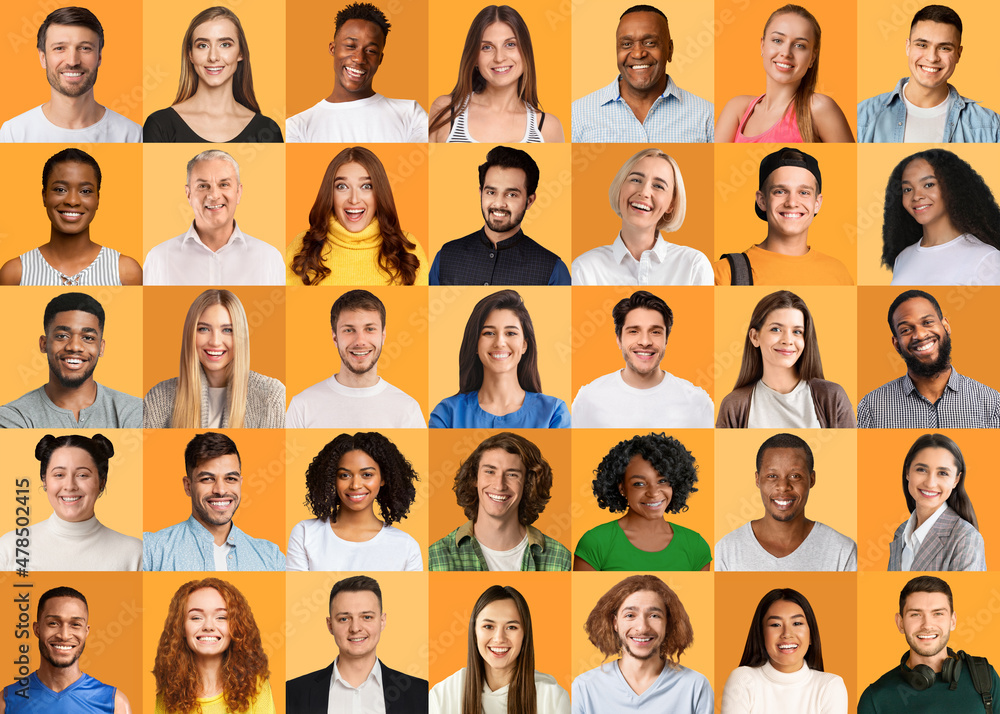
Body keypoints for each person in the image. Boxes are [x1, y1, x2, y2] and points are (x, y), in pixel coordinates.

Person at [285, 575, 429, 714]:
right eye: (344, 619)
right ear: (330, 625)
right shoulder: (293, 693)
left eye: (367, 617)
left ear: (382, 621)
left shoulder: (420, 693)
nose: (355, 628)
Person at [142, 432, 285, 571]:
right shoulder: (151, 550)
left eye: (230, 479)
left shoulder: (272, 557)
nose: (221, 490)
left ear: (240, 483)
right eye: (207, 479)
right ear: (188, 486)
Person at [286, 146, 428, 286]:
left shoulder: (407, 247)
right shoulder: (302, 245)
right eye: (342, 186)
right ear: (330, 193)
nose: (354, 199)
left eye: (366, 186)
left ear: (380, 193)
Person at [143, 289, 286, 428]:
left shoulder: (270, 396)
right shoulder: (159, 398)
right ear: (190, 334)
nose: (215, 341)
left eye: (228, 330)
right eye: (204, 329)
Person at [857, 290, 1000, 428]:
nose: (919, 335)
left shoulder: (991, 403)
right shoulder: (872, 407)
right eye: (906, 330)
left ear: (946, 326)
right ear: (896, 344)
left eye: (927, 322)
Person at [428, 432, 571, 571]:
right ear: (474, 479)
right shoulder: (436, 556)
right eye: (490, 472)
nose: (499, 485)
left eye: (512, 474)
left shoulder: (560, 559)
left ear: (529, 484)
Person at [286, 2, 427, 142]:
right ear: (332, 49)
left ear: (380, 59)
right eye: (350, 46)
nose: (359, 59)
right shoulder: (298, 126)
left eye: (371, 51)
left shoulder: (410, 114)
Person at [428, 146, 570, 285]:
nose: (499, 203)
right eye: (491, 192)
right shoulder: (446, 256)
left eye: (511, 194)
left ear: (529, 201)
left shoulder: (552, 269)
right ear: (481, 193)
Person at [857, 5, 1000, 143]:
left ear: (958, 54)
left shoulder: (990, 125)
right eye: (922, 45)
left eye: (944, 48)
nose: (932, 58)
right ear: (908, 47)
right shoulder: (863, 116)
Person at [571, 290, 713, 428]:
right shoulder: (589, 398)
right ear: (619, 340)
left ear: (666, 340)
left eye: (655, 332)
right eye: (633, 331)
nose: (645, 342)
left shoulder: (697, 402)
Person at [715, 433, 857, 571]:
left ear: (811, 479)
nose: (783, 486)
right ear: (758, 480)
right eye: (772, 476)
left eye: (795, 476)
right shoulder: (727, 549)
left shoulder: (842, 550)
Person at [572, 574, 713, 713]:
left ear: (668, 623)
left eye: (654, 616)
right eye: (630, 615)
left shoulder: (696, 686)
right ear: (615, 623)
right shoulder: (585, 687)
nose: (643, 627)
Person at [571, 6, 714, 143]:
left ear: (670, 50)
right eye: (627, 44)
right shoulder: (578, 114)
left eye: (650, 43)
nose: (638, 53)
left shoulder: (706, 115)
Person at [429, 290, 569, 428]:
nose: (500, 342)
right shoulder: (447, 414)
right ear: (475, 344)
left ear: (524, 345)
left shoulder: (554, 413)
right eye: (489, 333)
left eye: (510, 333)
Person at [857, 576, 1000, 712]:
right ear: (900, 623)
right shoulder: (875, 698)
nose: (927, 625)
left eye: (938, 614)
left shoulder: (985, 676)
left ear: (952, 621)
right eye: (915, 614)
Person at [713, 147, 853, 286]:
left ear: (817, 203)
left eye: (804, 193)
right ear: (762, 200)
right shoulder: (723, 273)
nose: (792, 203)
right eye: (780, 191)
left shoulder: (839, 274)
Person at [0, 149, 141, 286]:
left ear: (97, 199)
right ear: (44, 196)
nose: (72, 201)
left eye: (85, 191)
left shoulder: (126, 272)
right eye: (60, 189)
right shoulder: (14, 274)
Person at [571, 148, 712, 286]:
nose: (644, 192)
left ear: (671, 204)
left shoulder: (693, 266)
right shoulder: (584, 269)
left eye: (658, 186)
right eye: (636, 180)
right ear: (620, 189)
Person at [0, 434, 140, 571]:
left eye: (82, 475)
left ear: (102, 482)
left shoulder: (134, 552)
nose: (70, 486)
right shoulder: (11, 546)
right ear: (45, 481)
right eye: (59, 475)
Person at [0, 293, 141, 428]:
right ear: (43, 344)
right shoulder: (14, 416)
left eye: (88, 338)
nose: (74, 347)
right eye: (62, 336)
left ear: (101, 348)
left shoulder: (134, 411)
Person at [286, 290, 425, 428]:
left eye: (370, 329)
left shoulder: (408, 409)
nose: (360, 341)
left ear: (383, 336)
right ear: (335, 338)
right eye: (349, 330)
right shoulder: (302, 406)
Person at [143, 150, 284, 285]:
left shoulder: (268, 257)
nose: (214, 195)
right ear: (189, 194)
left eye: (224, 184)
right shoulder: (159, 258)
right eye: (203, 186)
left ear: (238, 192)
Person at [0, 7, 141, 142]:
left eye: (85, 48)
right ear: (43, 58)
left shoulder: (132, 135)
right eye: (59, 48)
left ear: (99, 57)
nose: (72, 61)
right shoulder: (13, 133)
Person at [715, 5, 853, 143]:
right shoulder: (737, 109)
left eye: (799, 45)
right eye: (777, 40)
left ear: (812, 57)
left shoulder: (819, 108)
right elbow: (715, 163)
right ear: (762, 46)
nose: (786, 53)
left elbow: (849, 164)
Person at [716, 290, 854, 428]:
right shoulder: (733, 405)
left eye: (797, 332)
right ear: (754, 337)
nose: (788, 340)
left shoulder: (833, 397)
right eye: (776, 329)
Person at [574, 433, 711, 571]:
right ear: (622, 488)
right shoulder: (596, 542)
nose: (653, 493)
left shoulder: (696, 545)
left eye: (662, 481)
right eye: (639, 484)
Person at [287, 432, 422, 571]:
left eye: (367, 475)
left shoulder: (406, 546)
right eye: (345, 475)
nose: (355, 485)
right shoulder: (305, 533)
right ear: (332, 479)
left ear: (383, 479)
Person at [143, 7, 282, 142]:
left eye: (225, 44)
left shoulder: (266, 129)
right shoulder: (159, 125)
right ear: (190, 54)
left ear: (241, 53)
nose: (213, 57)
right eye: (203, 45)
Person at [429, 5, 564, 143]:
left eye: (510, 44)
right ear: (475, 58)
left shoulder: (547, 128)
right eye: (487, 47)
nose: (499, 58)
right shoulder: (444, 111)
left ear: (526, 52)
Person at [429, 585, 569, 713]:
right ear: (474, 632)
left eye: (511, 627)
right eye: (488, 626)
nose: (499, 638)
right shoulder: (442, 695)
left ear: (525, 634)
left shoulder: (552, 699)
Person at [0, 586, 132, 713]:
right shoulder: (6, 701)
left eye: (75, 624)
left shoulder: (114, 703)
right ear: (37, 629)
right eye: (53, 623)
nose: (64, 635)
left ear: (86, 632)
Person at [153, 578, 275, 714]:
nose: (208, 626)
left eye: (221, 617)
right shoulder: (168, 696)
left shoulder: (256, 687)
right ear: (181, 628)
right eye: (196, 617)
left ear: (236, 627)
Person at [881, 148, 1000, 286]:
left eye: (928, 185)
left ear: (952, 187)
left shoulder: (986, 259)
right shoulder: (903, 258)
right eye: (907, 189)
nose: (916, 196)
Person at [720, 588, 848, 714]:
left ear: (811, 636)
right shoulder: (743, 680)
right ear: (761, 634)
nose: (787, 634)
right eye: (775, 624)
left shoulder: (830, 686)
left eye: (797, 623)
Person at [888, 433, 985, 571]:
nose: (930, 483)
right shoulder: (901, 532)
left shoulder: (965, 538)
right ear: (907, 472)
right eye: (921, 470)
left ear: (956, 480)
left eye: (943, 473)